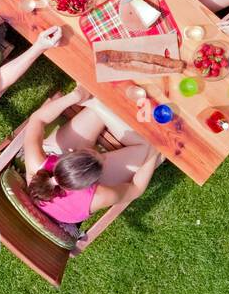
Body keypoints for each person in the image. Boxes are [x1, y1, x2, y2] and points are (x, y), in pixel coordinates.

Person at [22, 88, 162, 226]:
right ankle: (97, 104)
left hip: (60, 155)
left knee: (101, 99)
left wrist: (74, 97)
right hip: (78, 202)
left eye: (94, 152)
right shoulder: (98, 196)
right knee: (146, 147)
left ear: (68, 154)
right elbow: (136, 189)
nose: (104, 156)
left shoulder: (36, 165)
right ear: (93, 182)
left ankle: (95, 102)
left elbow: (37, 119)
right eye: (101, 159)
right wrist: (155, 152)